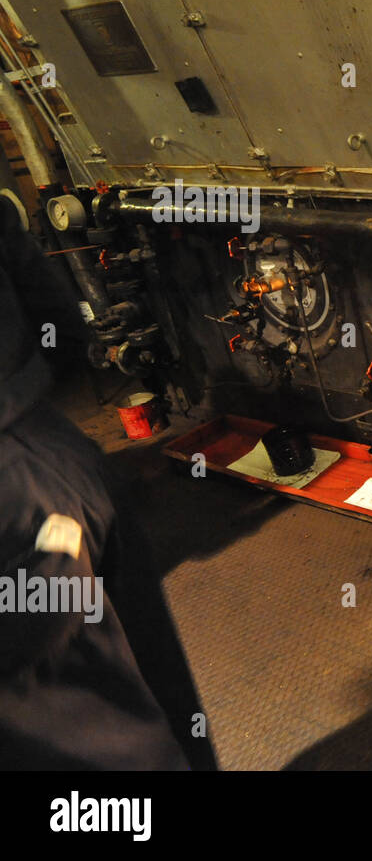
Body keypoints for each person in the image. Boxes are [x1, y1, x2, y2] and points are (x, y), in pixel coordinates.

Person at [0, 192, 215, 769]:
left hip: (16, 513)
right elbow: (64, 329)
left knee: (65, 725)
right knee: (144, 664)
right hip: (60, 459)